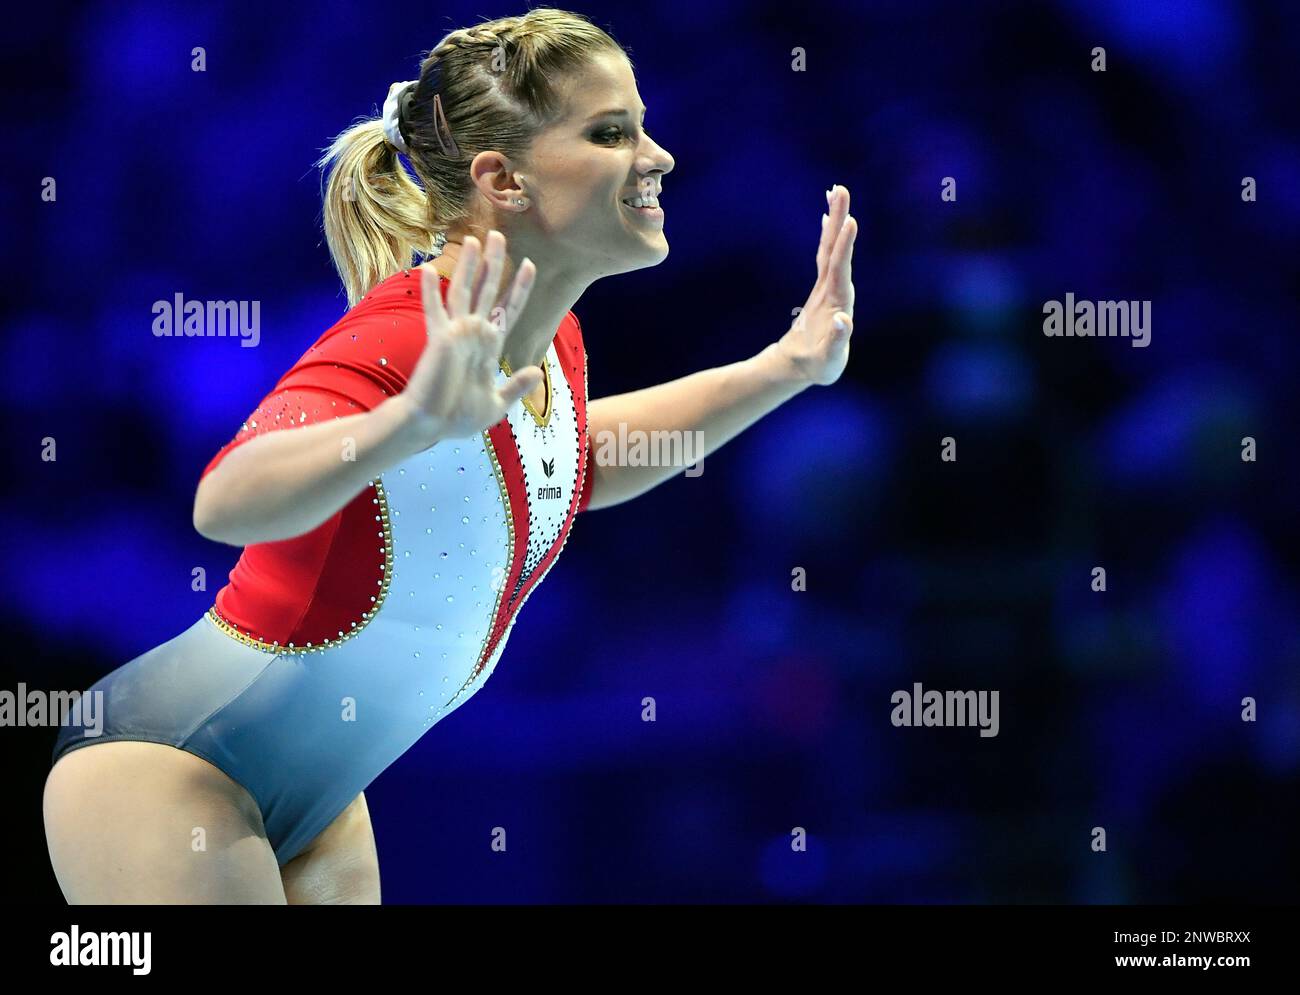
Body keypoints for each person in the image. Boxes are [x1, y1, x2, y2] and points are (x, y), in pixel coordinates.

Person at [42, 7, 857, 904]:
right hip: (170, 770)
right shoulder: (406, 335)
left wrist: (786, 366)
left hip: (321, 799)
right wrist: (410, 422)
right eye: (611, 132)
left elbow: (573, 463)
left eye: (642, 126)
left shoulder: (553, 345)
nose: (656, 155)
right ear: (502, 177)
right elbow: (225, 500)